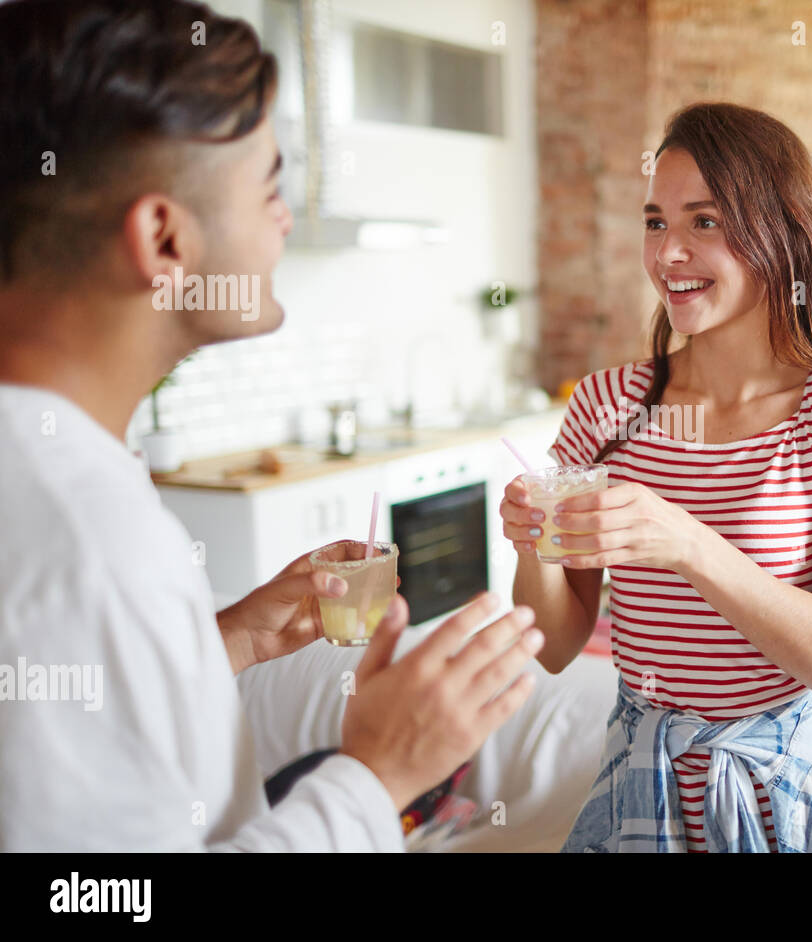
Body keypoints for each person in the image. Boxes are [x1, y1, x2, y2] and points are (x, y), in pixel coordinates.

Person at [0, 0, 540, 851]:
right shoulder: (88, 546)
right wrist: (379, 773)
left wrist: (228, 639)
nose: (286, 217)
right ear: (165, 239)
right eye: (269, 187)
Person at [499, 102, 812, 853]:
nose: (669, 254)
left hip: (793, 792)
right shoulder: (608, 406)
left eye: (705, 222)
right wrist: (535, 543)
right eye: (656, 222)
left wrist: (687, 542)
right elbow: (555, 645)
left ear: (780, 230)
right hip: (644, 788)